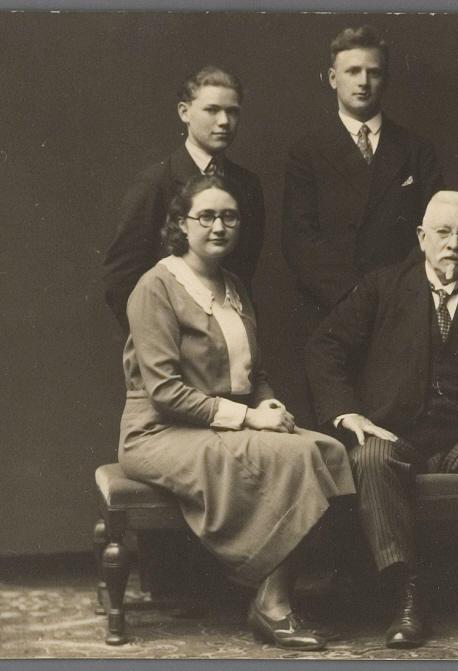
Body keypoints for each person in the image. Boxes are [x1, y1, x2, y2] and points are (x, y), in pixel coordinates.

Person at [118, 174, 354, 651]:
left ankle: (273, 593)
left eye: (229, 216)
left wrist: (266, 401)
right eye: (206, 216)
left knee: (326, 450)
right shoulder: (156, 286)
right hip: (159, 432)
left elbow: (254, 370)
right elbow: (164, 392)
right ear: (181, 225)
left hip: (219, 423)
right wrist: (249, 418)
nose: (219, 226)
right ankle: (274, 607)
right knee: (292, 457)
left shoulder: (235, 286)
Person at [306, 191, 458, 648]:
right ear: (422, 237)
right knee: (370, 458)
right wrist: (346, 412)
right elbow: (324, 346)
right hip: (396, 433)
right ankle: (404, 593)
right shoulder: (382, 286)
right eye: (444, 233)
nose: (454, 244)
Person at [282, 24, 443, 329]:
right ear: (332, 78)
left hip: (400, 308)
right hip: (329, 309)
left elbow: (435, 230)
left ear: (386, 79)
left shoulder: (416, 150)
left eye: (374, 72)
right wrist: (353, 295)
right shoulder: (307, 152)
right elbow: (298, 239)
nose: (363, 82)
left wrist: (394, 293)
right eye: (353, 71)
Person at [104, 66, 265, 332]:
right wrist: (156, 341)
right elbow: (120, 279)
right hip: (172, 344)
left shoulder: (247, 185)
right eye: (212, 110)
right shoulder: (155, 183)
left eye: (232, 111)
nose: (224, 121)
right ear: (184, 112)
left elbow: (243, 273)